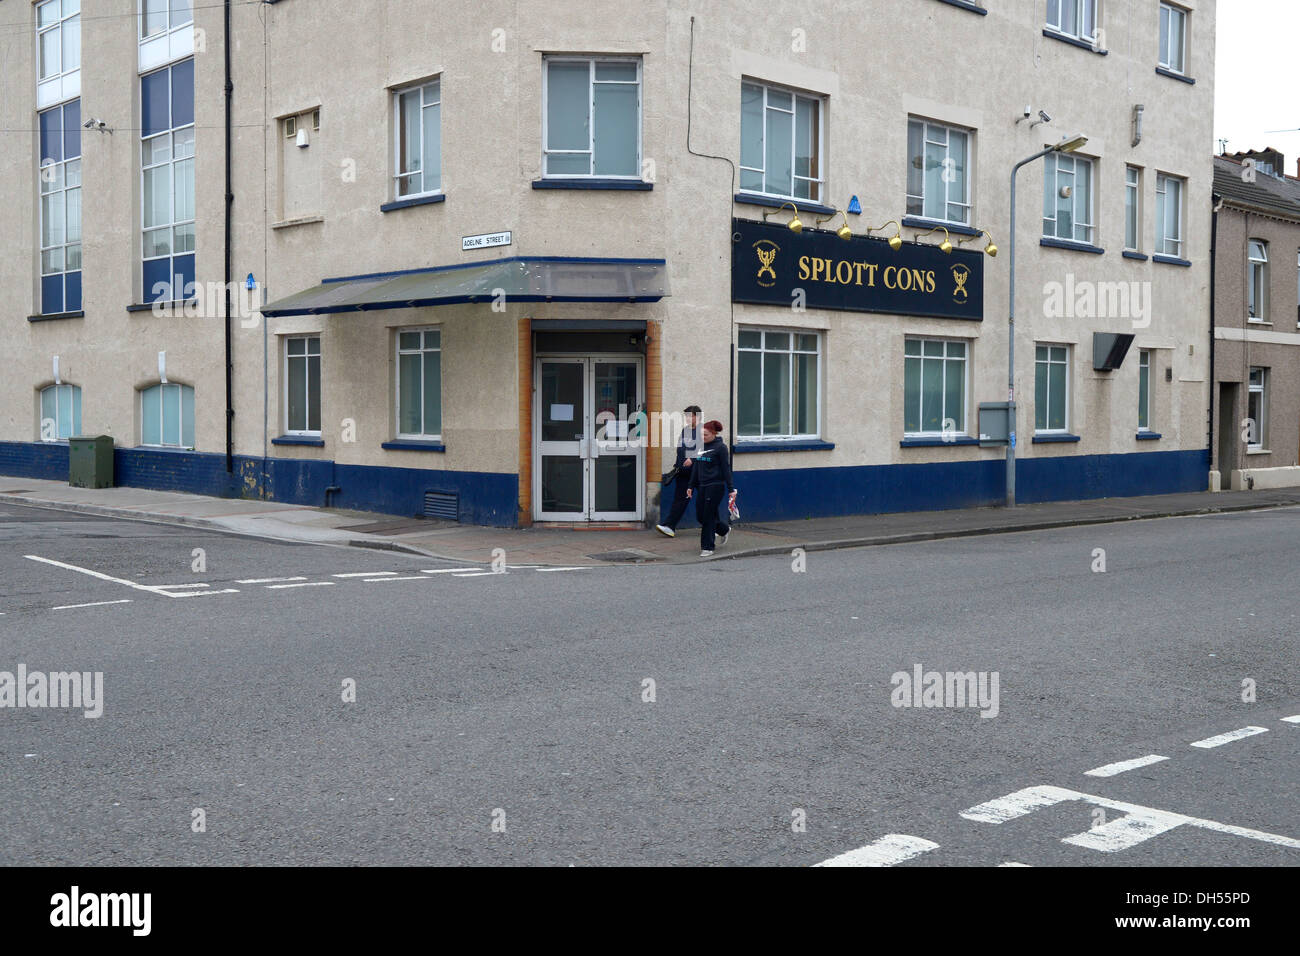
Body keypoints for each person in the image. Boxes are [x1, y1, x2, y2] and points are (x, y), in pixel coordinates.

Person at [686, 420, 736, 557]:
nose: (703, 437)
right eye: (701, 434)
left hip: (715, 485)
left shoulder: (720, 448)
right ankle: (723, 529)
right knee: (700, 516)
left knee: (708, 516)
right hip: (702, 485)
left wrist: (731, 489)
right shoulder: (700, 446)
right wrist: (690, 485)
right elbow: (696, 466)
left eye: (706, 434)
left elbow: (726, 469)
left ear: (714, 433)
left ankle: (707, 547)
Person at [655, 405, 701, 537]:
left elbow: (706, 450)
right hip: (683, 472)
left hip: (697, 473)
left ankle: (718, 526)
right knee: (679, 500)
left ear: (696, 416)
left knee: (704, 500)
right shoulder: (685, 430)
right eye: (685, 415)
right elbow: (680, 450)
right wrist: (677, 466)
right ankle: (670, 526)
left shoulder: (702, 431)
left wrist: (693, 459)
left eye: (689, 415)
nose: (686, 418)